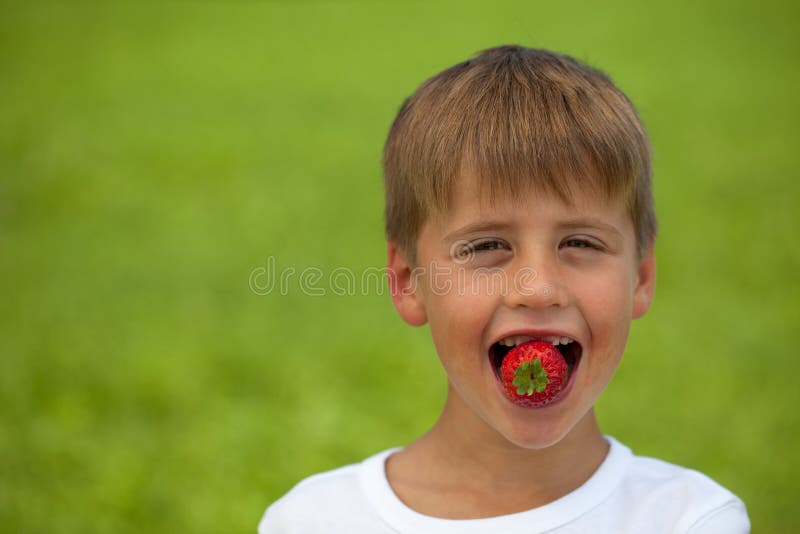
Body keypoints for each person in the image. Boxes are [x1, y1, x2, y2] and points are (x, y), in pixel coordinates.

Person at [258, 45, 750, 533]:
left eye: (579, 242)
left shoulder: (691, 520)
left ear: (640, 276)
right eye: (488, 245)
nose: (537, 291)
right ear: (409, 281)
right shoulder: (313, 520)